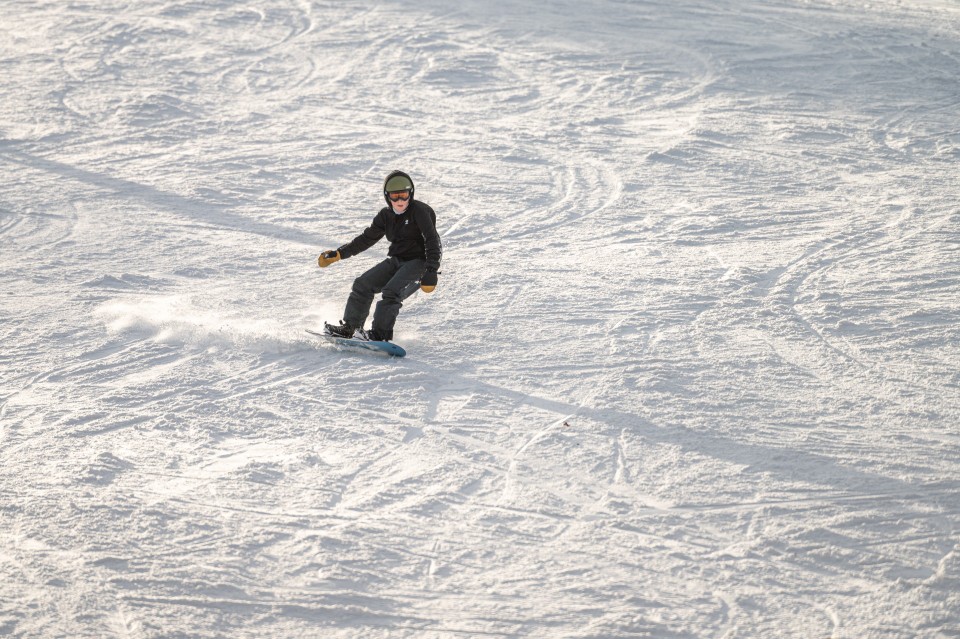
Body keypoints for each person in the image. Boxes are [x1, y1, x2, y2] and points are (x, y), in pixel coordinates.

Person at [317, 170, 442, 342]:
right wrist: (339, 254)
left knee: (391, 291)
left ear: (410, 194)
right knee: (362, 284)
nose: (400, 201)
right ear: (387, 196)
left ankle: (380, 334)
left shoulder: (420, 212)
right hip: (397, 261)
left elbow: (433, 240)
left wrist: (431, 270)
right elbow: (366, 239)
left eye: (404, 195)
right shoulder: (386, 216)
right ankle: (350, 327)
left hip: (419, 263)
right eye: (395, 196)